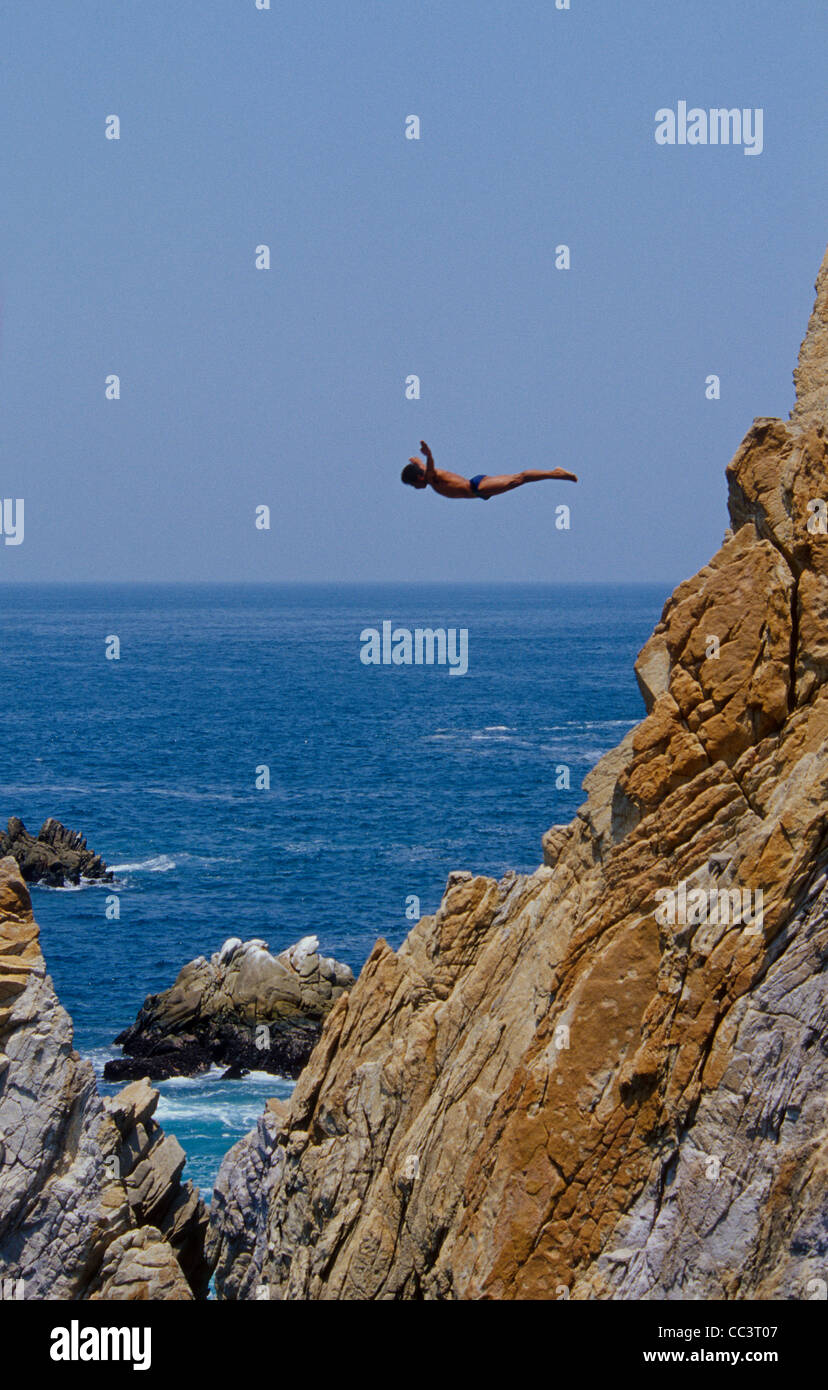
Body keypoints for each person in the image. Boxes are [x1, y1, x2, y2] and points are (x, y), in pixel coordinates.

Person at [401, 441, 577, 500]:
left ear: (418, 478)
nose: (415, 488)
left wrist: (428, 454)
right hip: (478, 487)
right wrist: (417, 461)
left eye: (412, 484)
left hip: (477, 488)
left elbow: (429, 467)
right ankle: (555, 473)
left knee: (519, 479)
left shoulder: (431, 478)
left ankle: (556, 473)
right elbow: (424, 467)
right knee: (518, 478)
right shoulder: (426, 474)